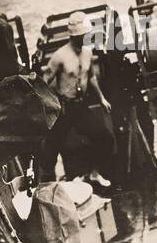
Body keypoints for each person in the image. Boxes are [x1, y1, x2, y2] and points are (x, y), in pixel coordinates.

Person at [36, 11, 116, 191]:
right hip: (63, 108)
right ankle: (46, 187)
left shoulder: (87, 52)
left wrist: (102, 98)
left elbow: (91, 76)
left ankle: (94, 173)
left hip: (81, 106)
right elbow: (43, 83)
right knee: (50, 149)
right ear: (75, 36)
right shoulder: (59, 56)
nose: (87, 38)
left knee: (104, 138)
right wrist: (47, 107)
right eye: (84, 35)